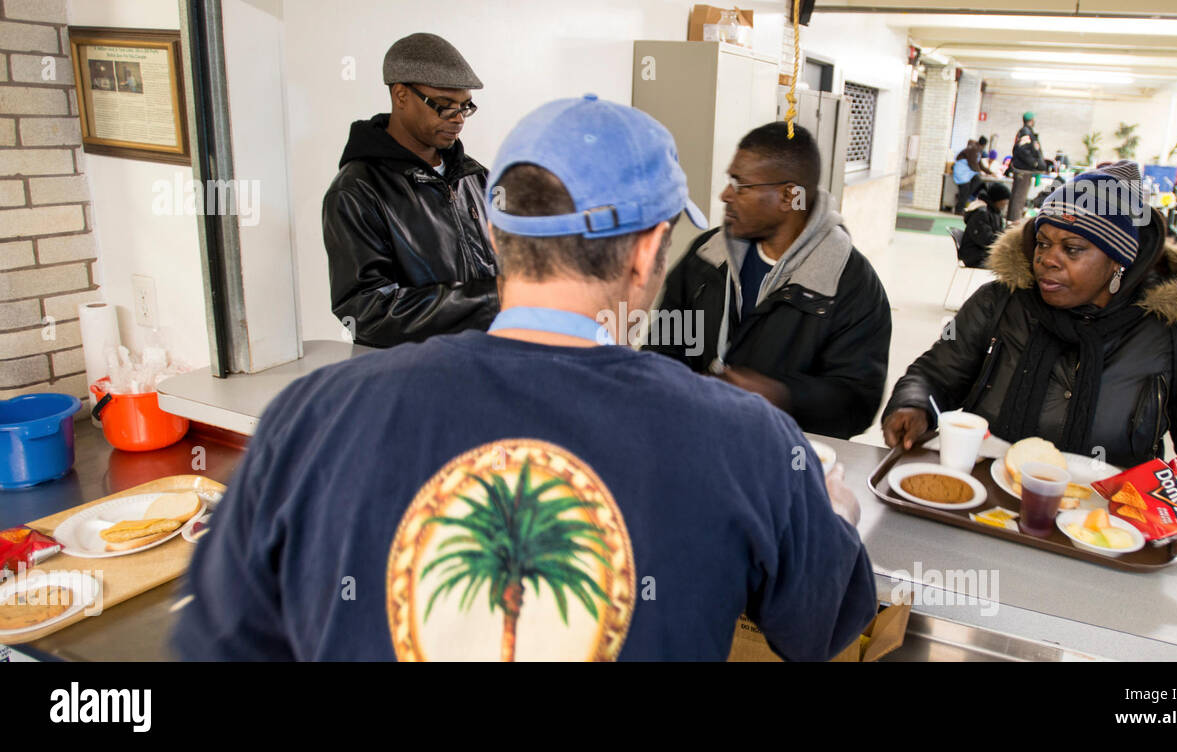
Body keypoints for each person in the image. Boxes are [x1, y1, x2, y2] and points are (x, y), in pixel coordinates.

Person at [173, 96, 876, 662]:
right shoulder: (749, 442)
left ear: (492, 230)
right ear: (650, 252)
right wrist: (836, 515)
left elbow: (217, 638)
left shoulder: (313, 413)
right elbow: (820, 627)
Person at [880, 161, 1177, 515]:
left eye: (1072, 249)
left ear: (1118, 262)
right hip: (987, 503)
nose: (1048, 259)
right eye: (1043, 243)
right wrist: (914, 404)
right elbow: (934, 376)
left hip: (1109, 523)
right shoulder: (1000, 303)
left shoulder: (1174, 331)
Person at [648, 123, 892, 439]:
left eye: (740, 184)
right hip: (697, 440)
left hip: (785, 458)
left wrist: (782, 396)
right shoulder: (706, 256)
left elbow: (858, 403)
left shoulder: (852, 285)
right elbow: (662, 348)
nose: (725, 195)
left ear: (789, 196)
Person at [322, 33, 499, 348]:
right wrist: (494, 299)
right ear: (401, 95)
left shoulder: (478, 178)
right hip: (418, 377)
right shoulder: (356, 191)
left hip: (486, 363)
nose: (458, 119)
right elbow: (368, 313)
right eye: (444, 107)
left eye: (465, 106)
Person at [958, 182, 1010, 269]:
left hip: (984, 253)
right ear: (997, 199)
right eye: (1005, 200)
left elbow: (996, 235)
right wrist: (1008, 233)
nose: (1006, 203)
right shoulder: (981, 214)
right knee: (1012, 266)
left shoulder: (994, 211)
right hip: (975, 256)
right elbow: (987, 241)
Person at [1008, 112, 1045, 222]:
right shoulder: (1025, 132)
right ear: (1031, 120)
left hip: (1023, 170)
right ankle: (1014, 221)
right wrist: (1035, 163)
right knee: (1019, 197)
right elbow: (1023, 150)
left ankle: (1012, 220)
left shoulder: (1026, 132)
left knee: (1018, 197)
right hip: (1022, 170)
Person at [953, 136, 994, 213]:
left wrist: (990, 172)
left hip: (967, 172)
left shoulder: (978, 150)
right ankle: (959, 209)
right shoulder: (974, 149)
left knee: (977, 181)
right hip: (962, 171)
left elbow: (979, 164)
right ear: (984, 145)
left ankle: (963, 198)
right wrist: (979, 172)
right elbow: (973, 163)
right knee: (965, 190)